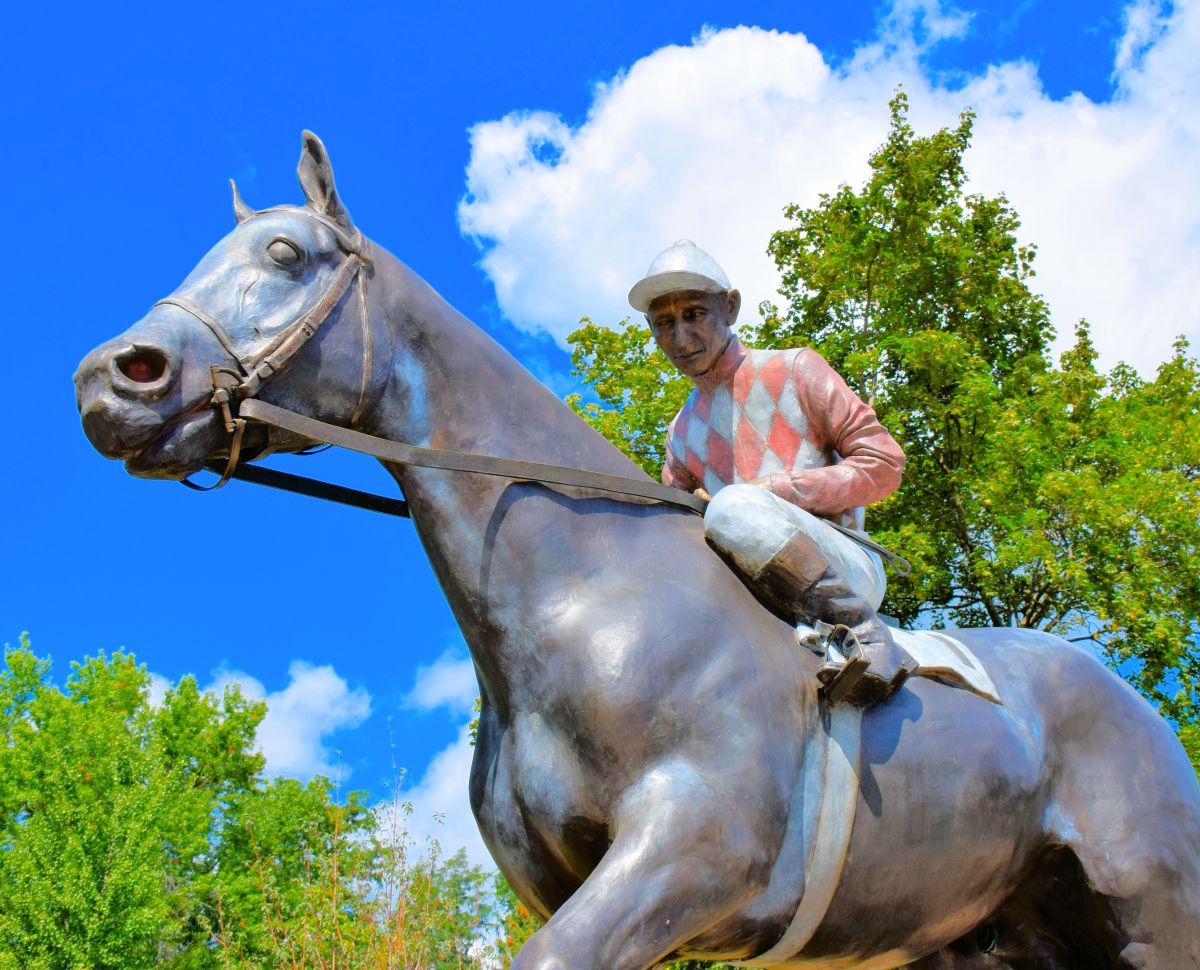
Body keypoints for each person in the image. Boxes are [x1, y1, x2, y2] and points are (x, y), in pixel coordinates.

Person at [629, 239, 915, 706]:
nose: (680, 338)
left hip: (844, 565)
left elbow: (884, 464)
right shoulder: (679, 432)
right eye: (664, 323)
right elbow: (672, 535)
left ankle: (866, 633)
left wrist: (772, 492)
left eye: (694, 314)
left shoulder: (796, 368)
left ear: (730, 307)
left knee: (734, 506)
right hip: (750, 591)